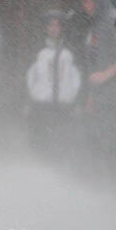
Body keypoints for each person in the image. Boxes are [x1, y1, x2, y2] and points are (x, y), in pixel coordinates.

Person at [72, 0, 116, 190]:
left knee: (114, 144)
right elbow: (93, 63)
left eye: (88, 1)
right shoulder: (94, 26)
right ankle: (98, 188)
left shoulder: (115, 20)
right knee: (95, 143)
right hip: (100, 98)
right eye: (83, 1)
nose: (85, 5)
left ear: (99, 0)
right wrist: (91, 96)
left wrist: (105, 75)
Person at [25, 10, 81, 156]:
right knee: (40, 146)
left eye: (57, 25)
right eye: (50, 25)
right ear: (45, 28)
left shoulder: (71, 52)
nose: (54, 28)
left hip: (64, 108)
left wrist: (75, 101)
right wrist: (30, 100)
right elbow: (29, 78)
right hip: (41, 107)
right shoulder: (37, 51)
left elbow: (77, 79)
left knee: (62, 146)